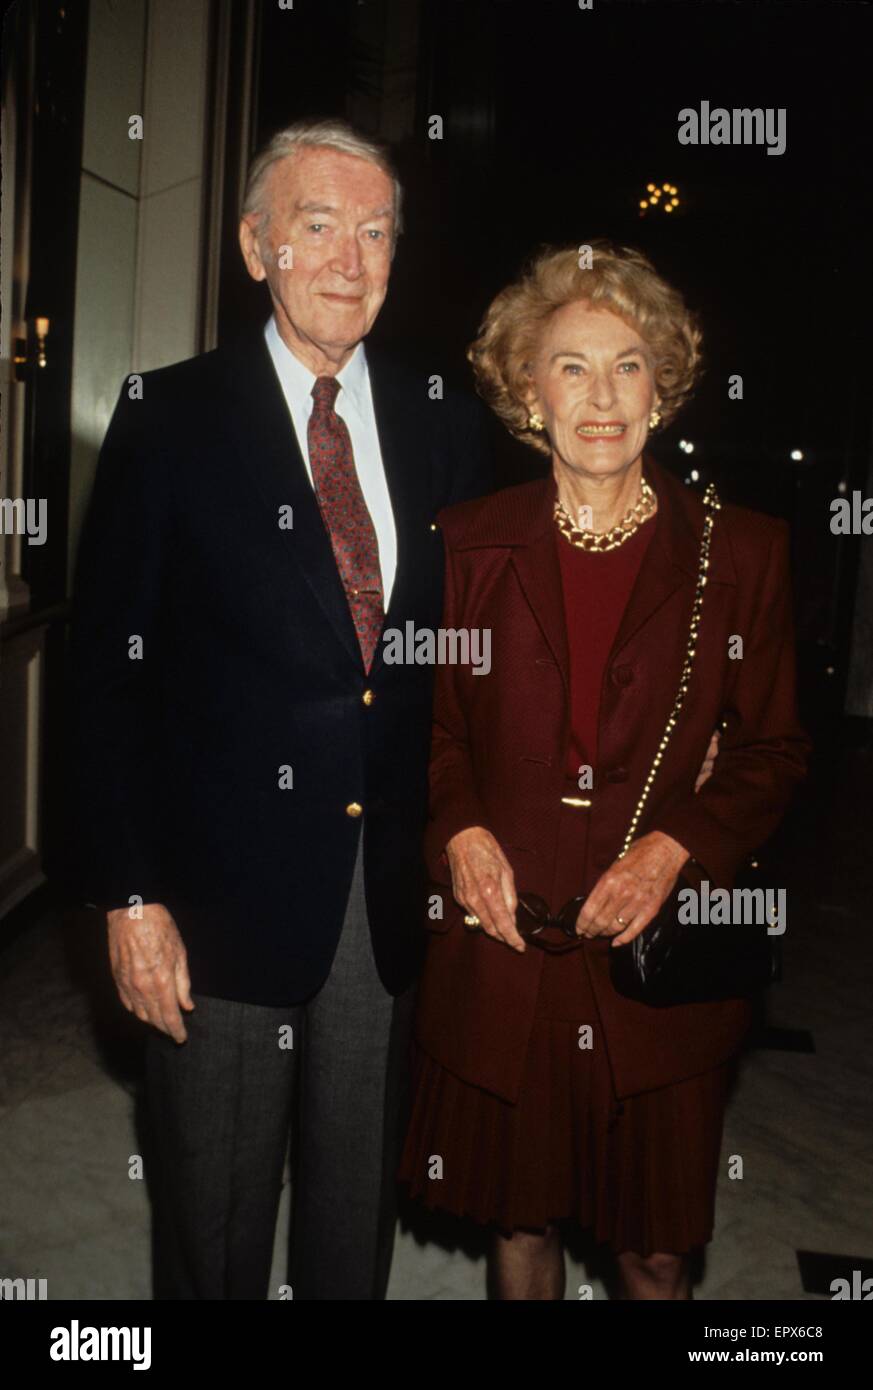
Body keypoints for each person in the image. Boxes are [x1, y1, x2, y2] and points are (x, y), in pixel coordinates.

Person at [70, 118, 491, 1300]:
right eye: (318, 227)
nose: (349, 261)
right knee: (213, 1235)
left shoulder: (441, 418)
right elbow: (106, 678)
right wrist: (131, 895)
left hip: (381, 900)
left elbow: (476, 650)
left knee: (353, 1237)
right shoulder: (169, 417)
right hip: (213, 905)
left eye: (375, 232)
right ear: (255, 246)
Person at [399, 240, 810, 1299]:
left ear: (663, 389)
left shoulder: (745, 554)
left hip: (654, 967)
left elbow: (771, 749)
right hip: (509, 954)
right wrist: (460, 831)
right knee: (521, 1225)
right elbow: (435, 737)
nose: (600, 395)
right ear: (525, 391)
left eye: (628, 364)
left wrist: (680, 847)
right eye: (570, 366)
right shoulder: (466, 547)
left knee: (656, 1249)